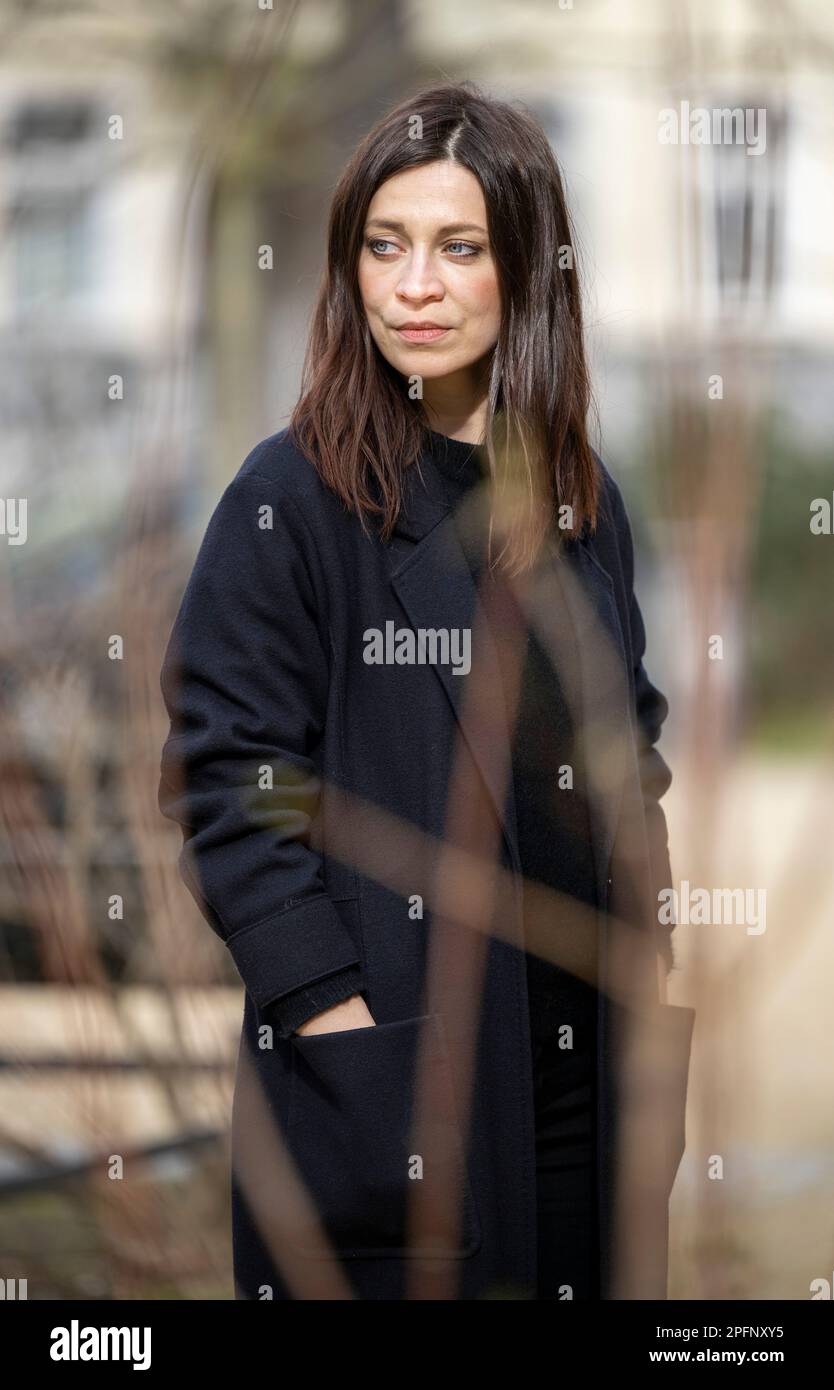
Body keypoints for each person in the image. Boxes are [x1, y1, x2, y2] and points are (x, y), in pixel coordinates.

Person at [158, 80, 695, 1301]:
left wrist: (647, 953)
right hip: (406, 1088)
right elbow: (230, 785)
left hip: (591, 1090)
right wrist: (338, 1029)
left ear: (528, 271)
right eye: (385, 247)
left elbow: (633, 746)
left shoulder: (578, 495)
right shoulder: (288, 499)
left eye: (460, 248)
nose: (415, 286)